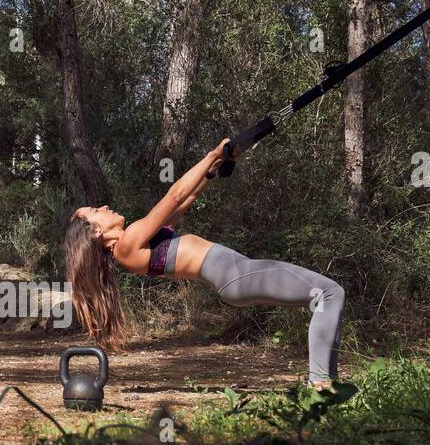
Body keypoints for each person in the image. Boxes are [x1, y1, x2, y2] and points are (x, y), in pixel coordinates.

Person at [62, 140, 344, 389]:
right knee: (328, 294)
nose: (104, 207)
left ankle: (325, 383)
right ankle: (319, 383)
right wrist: (211, 155)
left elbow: (184, 200)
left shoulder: (135, 241)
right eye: (96, 211)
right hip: (236, 276)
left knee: (327, 294)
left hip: (237, 275)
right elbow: (173, 195)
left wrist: (214, 167)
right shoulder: (126, 246)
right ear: (96, 233)